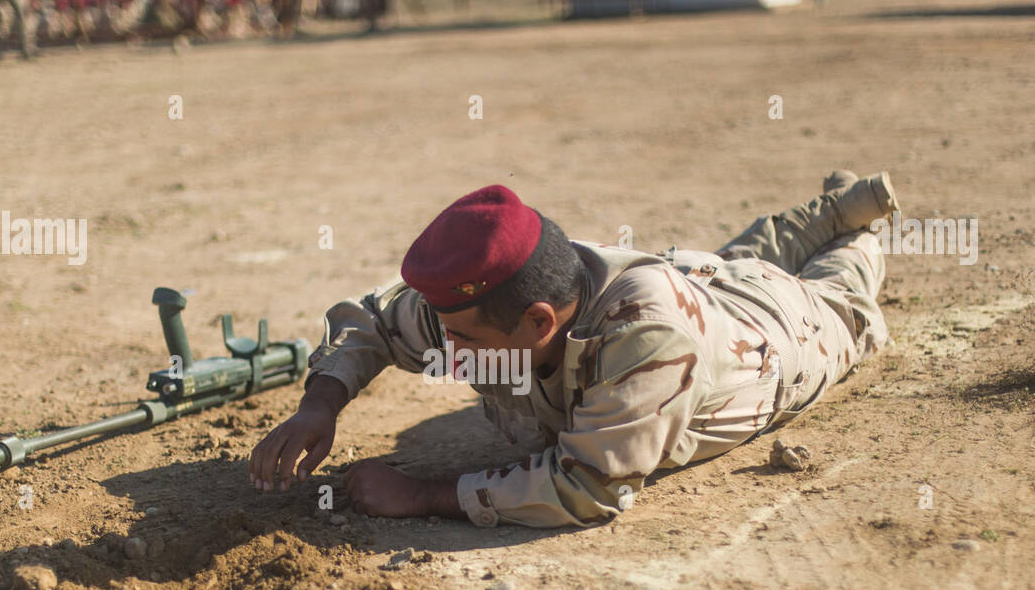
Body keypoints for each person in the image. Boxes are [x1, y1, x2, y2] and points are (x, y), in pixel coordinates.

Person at [249, 172, 898, 527]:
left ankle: (851, 226)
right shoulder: (494, 296)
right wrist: (320, 405)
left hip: (779, 334)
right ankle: (829, 206)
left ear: (536, 323)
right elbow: (374, 320)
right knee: (731, 260)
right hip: (693, 277)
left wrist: (421, 495)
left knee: (842, 287)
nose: (445, 351)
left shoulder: (648, 339)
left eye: (463, 340)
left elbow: (587, 486)